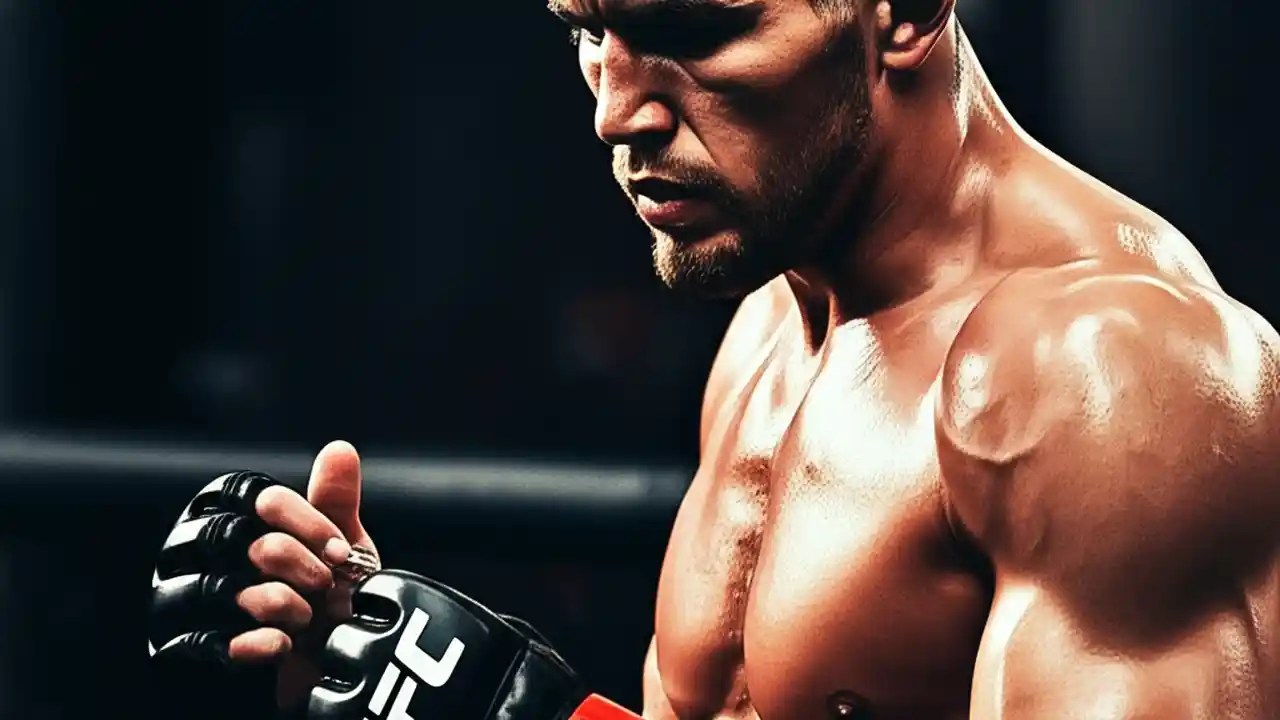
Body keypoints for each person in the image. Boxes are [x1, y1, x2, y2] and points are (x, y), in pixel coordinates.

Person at [148, 0, 1280, 717]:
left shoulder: (1111, 377)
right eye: (590, 31)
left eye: (689, 30)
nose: (616, 112)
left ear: (903, 15)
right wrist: (373, 656)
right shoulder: (767, 333)